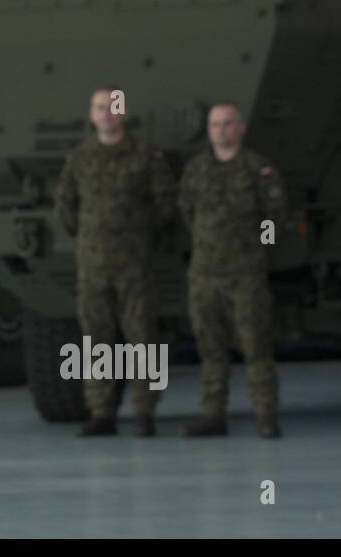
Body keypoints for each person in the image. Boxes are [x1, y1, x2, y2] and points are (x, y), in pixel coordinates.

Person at [55, 87, 177, 437]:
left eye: (112, 107)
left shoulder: (145, 156)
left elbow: (166, 203)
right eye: (99, 108)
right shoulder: (79, 158)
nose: (106, 113)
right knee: (97, 341)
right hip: (93, 266)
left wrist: (139, 234)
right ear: (91, 115)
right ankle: (102, 412)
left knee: (142, 338)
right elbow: (66, 207)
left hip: (135, 265)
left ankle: (145, 411)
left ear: (123, 113)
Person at [179, 104, 287, 439]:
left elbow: (275, 215)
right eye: (215, 124)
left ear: (240, 128)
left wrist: (258, 248)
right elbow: (187, 212)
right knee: (210, 348)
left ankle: (266, 416)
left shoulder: (257, 168)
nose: (221, 130)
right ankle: (213, 414)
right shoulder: (197, 170)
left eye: (227, 124)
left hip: (245, 274)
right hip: (205, 275)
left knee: (255, 345)